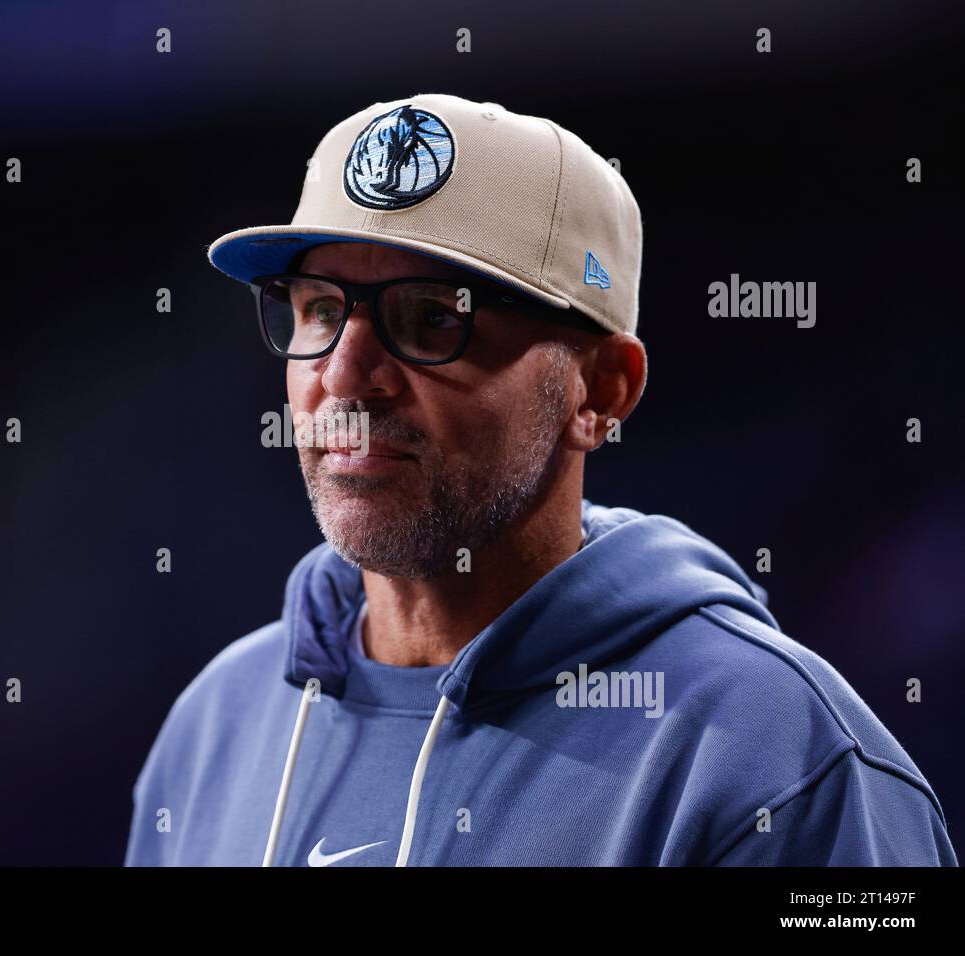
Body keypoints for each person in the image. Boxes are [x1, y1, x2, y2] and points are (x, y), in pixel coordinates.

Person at [124, 93, 957, 866]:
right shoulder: (218, 726)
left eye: (432, 319)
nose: (344, 376)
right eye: (318, 309)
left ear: (599, 391)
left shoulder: (779, 764)